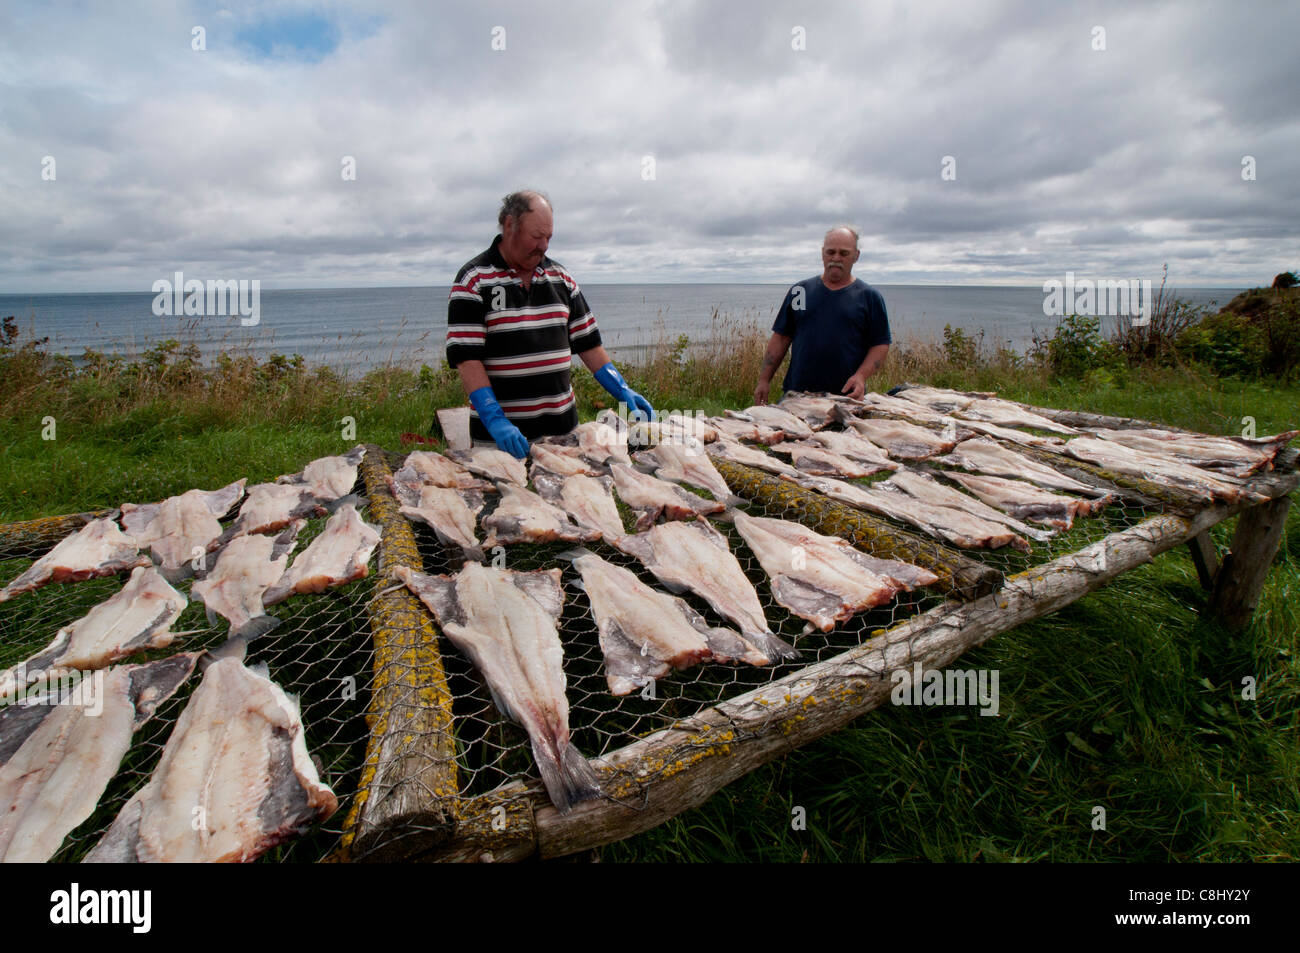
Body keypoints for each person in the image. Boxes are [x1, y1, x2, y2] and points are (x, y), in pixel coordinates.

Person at [446, 190, 654, 458]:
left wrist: (622, 388)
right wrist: (495, 419)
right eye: (536, 236)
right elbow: (467, 359)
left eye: (549, 237)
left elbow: (588, 344)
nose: (544, 246)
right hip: (501, 444)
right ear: (510, 225)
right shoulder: (474, 280)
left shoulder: (561, 279)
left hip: (564, 436)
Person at [753, 225, 891, 404]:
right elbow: (781, 338)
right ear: (822, 253)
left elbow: (880, 344)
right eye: (830, 252)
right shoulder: (800, 292)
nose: (836, 258)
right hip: (797, 396)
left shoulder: (869, 297)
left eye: (844, 253)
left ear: (856, 256)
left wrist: (861, 376)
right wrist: (764, 380)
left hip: (846, 398)